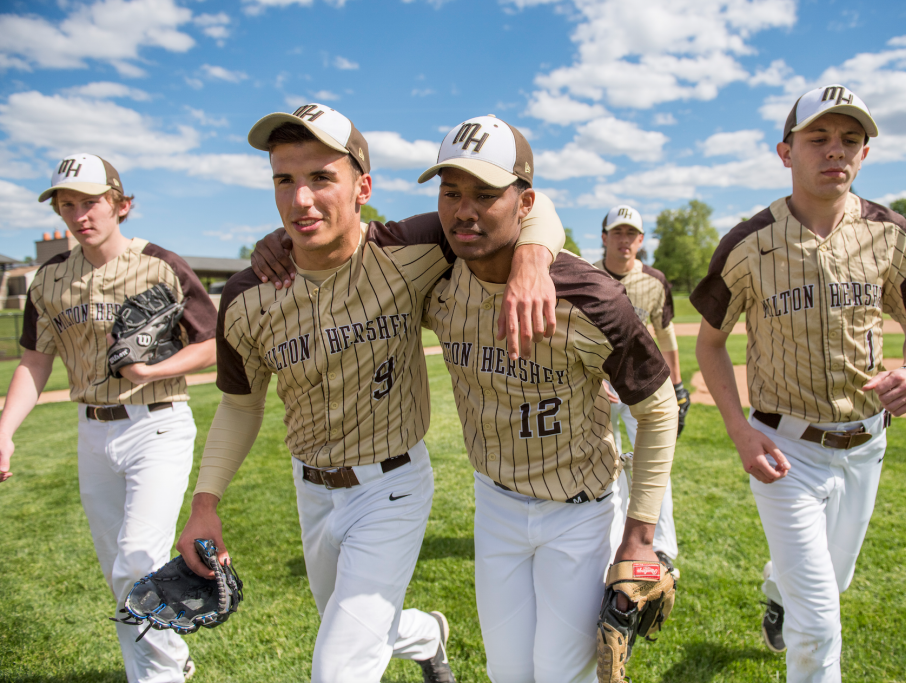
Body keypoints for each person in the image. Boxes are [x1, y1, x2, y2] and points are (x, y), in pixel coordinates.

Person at [176, 103, 565, 683]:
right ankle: (426, 634)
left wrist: (533, 261)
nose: (301, 199)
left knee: (339, 668)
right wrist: (203, 505)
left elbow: (530, 205)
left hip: (392, 485)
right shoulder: (246, 294)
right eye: (285, 179)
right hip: (310, 489)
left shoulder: (411, 248)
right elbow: (240, 404)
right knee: (354, 626)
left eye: (321, 178)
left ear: (363, 187)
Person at [690, 85, 906, 682]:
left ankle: (778, 587)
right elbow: (710, 341)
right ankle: (794, 603)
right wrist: (738, 431)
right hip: (784, 448)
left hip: (866, 443)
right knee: (820, 621)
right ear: (785, 152)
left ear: (865, 155)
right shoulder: (748, 242)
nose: (836, 151)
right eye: (818, 138)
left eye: (850, 140)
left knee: (835, 580)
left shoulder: (889, 232)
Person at [418, 115, 678, 683]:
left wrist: (640, 535)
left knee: (562, 676)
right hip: (494, 504)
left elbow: (658, 409)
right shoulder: (433, 269)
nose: (465, 210)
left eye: (486, 194)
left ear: (524, 201)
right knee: (508, 673)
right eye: (451, 191)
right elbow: (345, 242)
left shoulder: (590, 294)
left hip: (579, 513)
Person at [0, 153, 218, 683]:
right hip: (92, 432)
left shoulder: (160, 264)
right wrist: (4, 432)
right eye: (66, 204)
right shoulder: (49, 281)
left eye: (91, 201)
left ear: (121, 205)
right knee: (117, 572)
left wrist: (154, 368)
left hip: (157, 423)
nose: (79, 215)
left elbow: (216, 341)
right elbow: (34, 360)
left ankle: (156, 677)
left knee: (137, 558)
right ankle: (170, 661)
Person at [593, 205, 688, 574]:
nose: (624, 240)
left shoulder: (655, 280)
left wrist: (677, 386)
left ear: (641, 240)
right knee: (602, 465)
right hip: (597, 387)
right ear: (604, 238)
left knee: (653, 468)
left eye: (631, 233)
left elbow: (666, 336)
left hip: (645, 387)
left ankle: (660, 547)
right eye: (617, 233)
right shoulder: (586, 276)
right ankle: (612, 541)